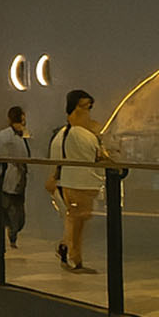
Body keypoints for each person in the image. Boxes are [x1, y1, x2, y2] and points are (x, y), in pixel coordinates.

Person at [47, 89, 109, 273]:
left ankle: (68, 251)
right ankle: (74, 257)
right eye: (85, 107)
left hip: (72, 184)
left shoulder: (63, 135)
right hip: (77, 184)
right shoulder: (78, 135)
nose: (88, 113)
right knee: (76, 220)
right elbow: (98, 157)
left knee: (74, 219)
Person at [0, 105, 30, 248]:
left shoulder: (21, 135)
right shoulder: (5, 136)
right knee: (12, 208)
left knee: (17, 208)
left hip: (18, 177)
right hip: (11, 176)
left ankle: (13, 232)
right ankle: (12, 234)